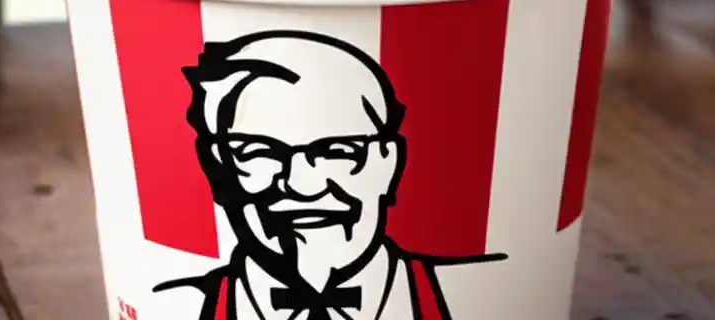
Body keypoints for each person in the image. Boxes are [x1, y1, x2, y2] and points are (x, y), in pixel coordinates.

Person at [155, 30, 500, 319]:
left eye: (338, 151)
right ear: (217, 167)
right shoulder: (169, 303)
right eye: (259, 152)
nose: (302, 183)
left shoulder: (487, 294)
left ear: (388, 163)